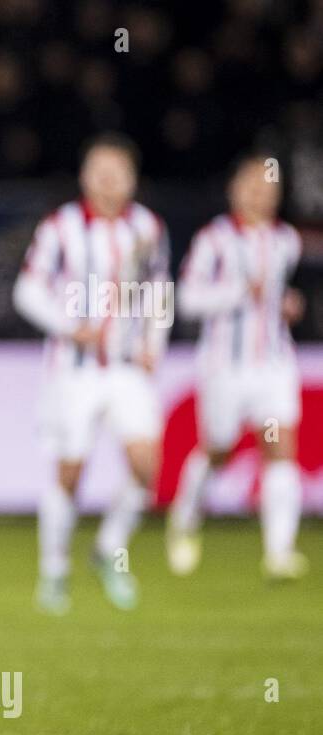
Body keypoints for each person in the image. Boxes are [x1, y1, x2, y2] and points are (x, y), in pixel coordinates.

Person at [14, 133, 172, 615]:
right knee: (70, 473)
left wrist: (153, 344)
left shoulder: (147, 227)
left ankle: (108, 549)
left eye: (118, 172)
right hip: (73, 372)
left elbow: (159, 290)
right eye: (100, 171)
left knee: (146, 466)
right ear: (85, 176)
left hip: (126, 369)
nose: (109, 181)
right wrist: (69, 327)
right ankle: (54, 571)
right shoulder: (61, 227)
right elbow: (27, 290)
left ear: (132, 178)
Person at [168, 153, 308, 580]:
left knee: (280, 447)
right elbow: (188, 298)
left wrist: (286, 306)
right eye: (251, 187)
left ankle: (279, 553)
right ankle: (185, 520)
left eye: (267, 189)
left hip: (273, 363)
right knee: (218, 451)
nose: (259, 196)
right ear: (234, 190)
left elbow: (275, 297)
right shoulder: (214, 240)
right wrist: (237, 292)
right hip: (225, 367)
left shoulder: (286, 240)